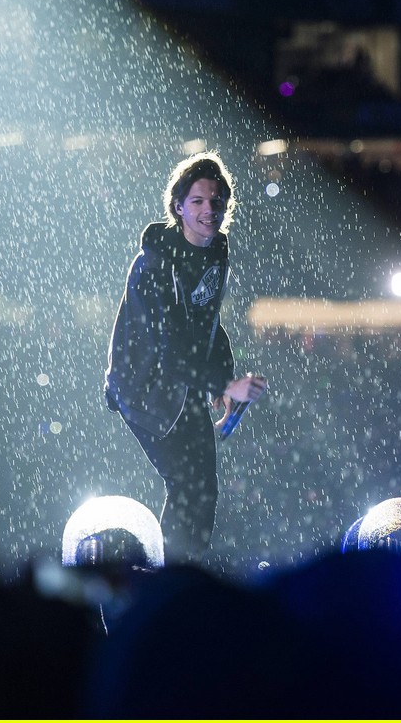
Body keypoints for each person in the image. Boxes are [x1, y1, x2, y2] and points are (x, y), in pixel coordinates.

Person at [104, 151, 268, 565]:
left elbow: (209, 323)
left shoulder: (216, 252)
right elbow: (167, 348)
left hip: (184, 382)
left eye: (216, 201)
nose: (208, 210)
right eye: (197, 201)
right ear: (178, 207)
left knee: (204, 488)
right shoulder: (155, 265)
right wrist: (224, 384)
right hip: (145, 389)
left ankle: (185, 571)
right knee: (186, 484)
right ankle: (168, 577)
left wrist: (224, 381)